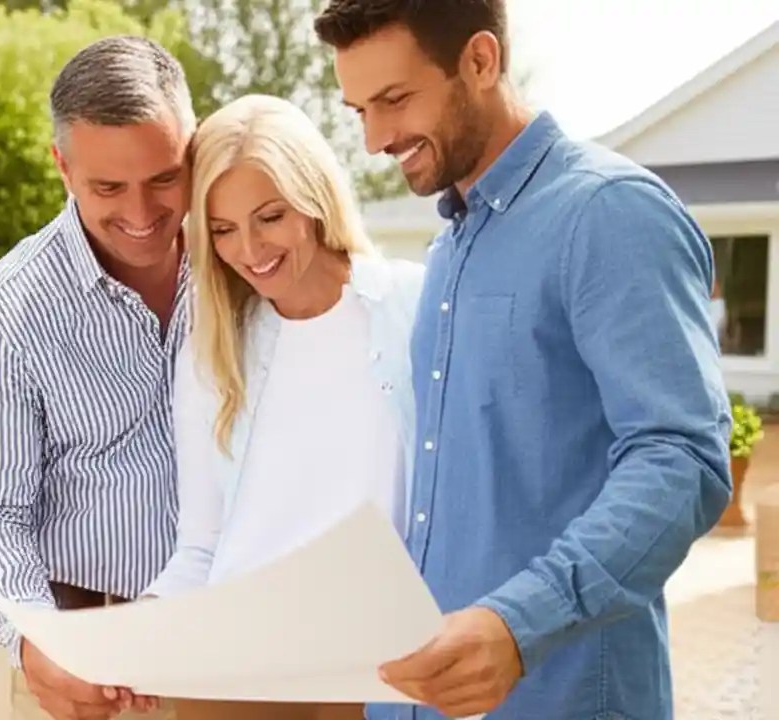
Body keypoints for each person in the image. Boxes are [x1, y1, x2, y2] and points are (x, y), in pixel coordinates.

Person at [313, 1, 733, 719]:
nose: (376, 138)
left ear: (480, 61)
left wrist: (519, 622)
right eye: (358, 111)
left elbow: (682, 459)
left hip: (562, 698)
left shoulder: (609, 214)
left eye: (394, 100)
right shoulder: (447, 250)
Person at [140, 93, 425, 720]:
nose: (249, 249)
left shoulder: (413, 309)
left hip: (379, 664)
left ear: (313, 198)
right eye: (221, 230)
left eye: (269, 216)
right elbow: (202, 548)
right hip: (237, 676)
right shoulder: (214, 350)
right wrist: (143, 632)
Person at [0, 35, 196, 720]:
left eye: (164, 179)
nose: (142, 216)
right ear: (62, 166)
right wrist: (33, 642)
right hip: (72, 665)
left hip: (221, 659)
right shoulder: (6, 312)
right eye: (108, 187)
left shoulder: (244, 264)